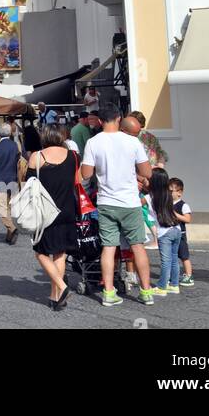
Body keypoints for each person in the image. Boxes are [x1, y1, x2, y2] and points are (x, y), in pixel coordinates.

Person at [81, 107, 155, 307]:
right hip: (130, 202)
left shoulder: (93, 142)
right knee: (138, 246)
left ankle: (108, 292)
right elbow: (147, 172)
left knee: (108, 247)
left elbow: (86, 174)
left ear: (99, 120)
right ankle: (146, 292)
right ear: (119, 118)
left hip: (106, 202)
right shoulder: (132, 141)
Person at [27, 127, 80, 311]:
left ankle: (62, 286)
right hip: (67, 209)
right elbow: (77, 182)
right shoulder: (73, 156)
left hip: (45, 212)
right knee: (60, 254)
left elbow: (28, 184)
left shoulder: (37, 156)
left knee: (41, 252)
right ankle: (55, 297)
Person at [150, 168, 182, 297]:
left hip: (164, 232)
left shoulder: (151, 196)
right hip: (177, 229)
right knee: (174, 259)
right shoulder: (169, 194)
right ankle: (174, 285)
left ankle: (162, 286)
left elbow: (137, 203)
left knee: (165, 261)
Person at [0, 125, 21, 243]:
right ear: (10, 133)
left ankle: (12, 229)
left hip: (1, 181)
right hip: (13, 179)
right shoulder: (15, 146)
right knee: (9, 208)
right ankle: (9, 235)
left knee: (1, 209)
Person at [170, 177, 195, 287]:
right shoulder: (168, 204)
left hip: (181, 235)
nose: (168, 193)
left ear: (179, 192)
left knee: (184, 255)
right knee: (171, 255)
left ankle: (189, 276)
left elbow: (188, 219)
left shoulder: (183, 205)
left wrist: (176, 214)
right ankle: (173, 275)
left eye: (171, 191)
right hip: (170, 234)